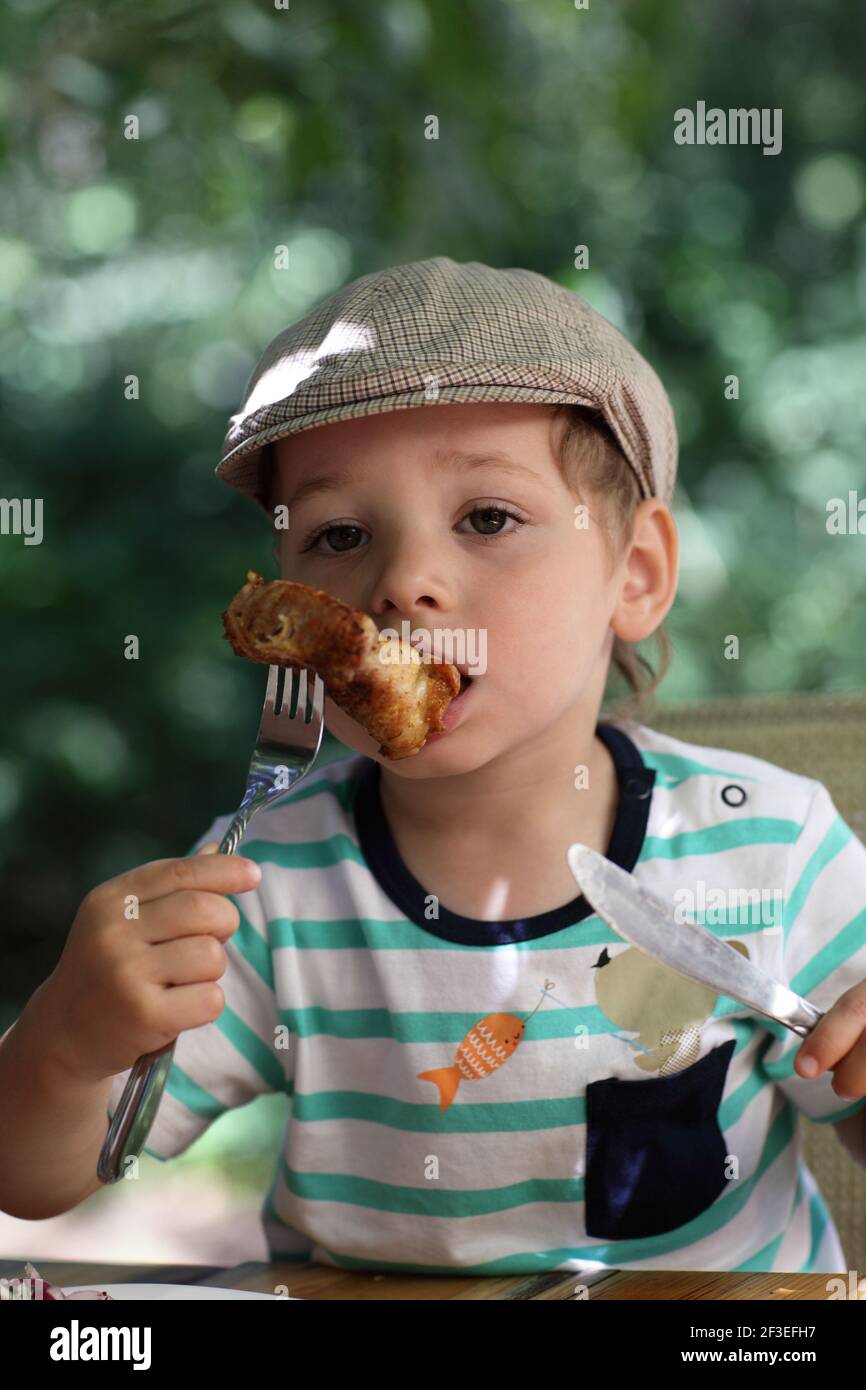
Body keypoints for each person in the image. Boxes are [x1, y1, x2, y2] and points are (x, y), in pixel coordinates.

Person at [2, 257, 865, 1276]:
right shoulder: (269, 880)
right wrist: (65, 1040)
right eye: (338, 535)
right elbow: (37, 1175)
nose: (401, 583)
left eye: (485, 518)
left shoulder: (767, 847)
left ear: (632, 576)